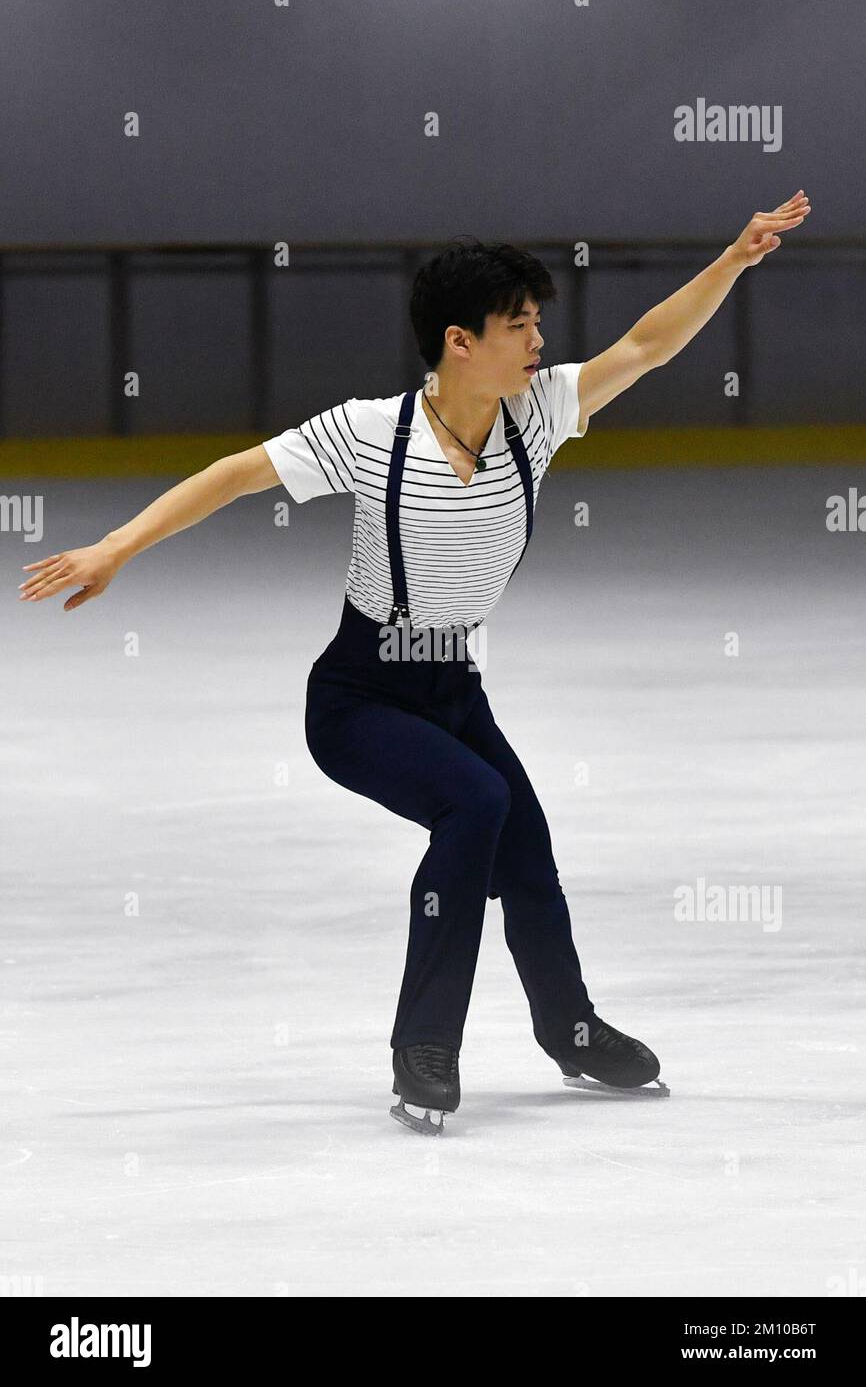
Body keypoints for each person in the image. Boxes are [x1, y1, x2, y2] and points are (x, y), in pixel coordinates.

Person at [20, 194, 810, 1135]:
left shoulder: (539, 414)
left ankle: (571, 1029)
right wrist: (117, 545)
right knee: (477, 804)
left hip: (452, 688)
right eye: (518, 325)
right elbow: (236, 473)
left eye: (537, 323)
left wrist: (732, 258)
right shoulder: (371, 433)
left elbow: (644, 348)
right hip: (361, 697)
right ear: (459, 341)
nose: (536, 340)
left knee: (526, 843)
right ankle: (424, 1048)